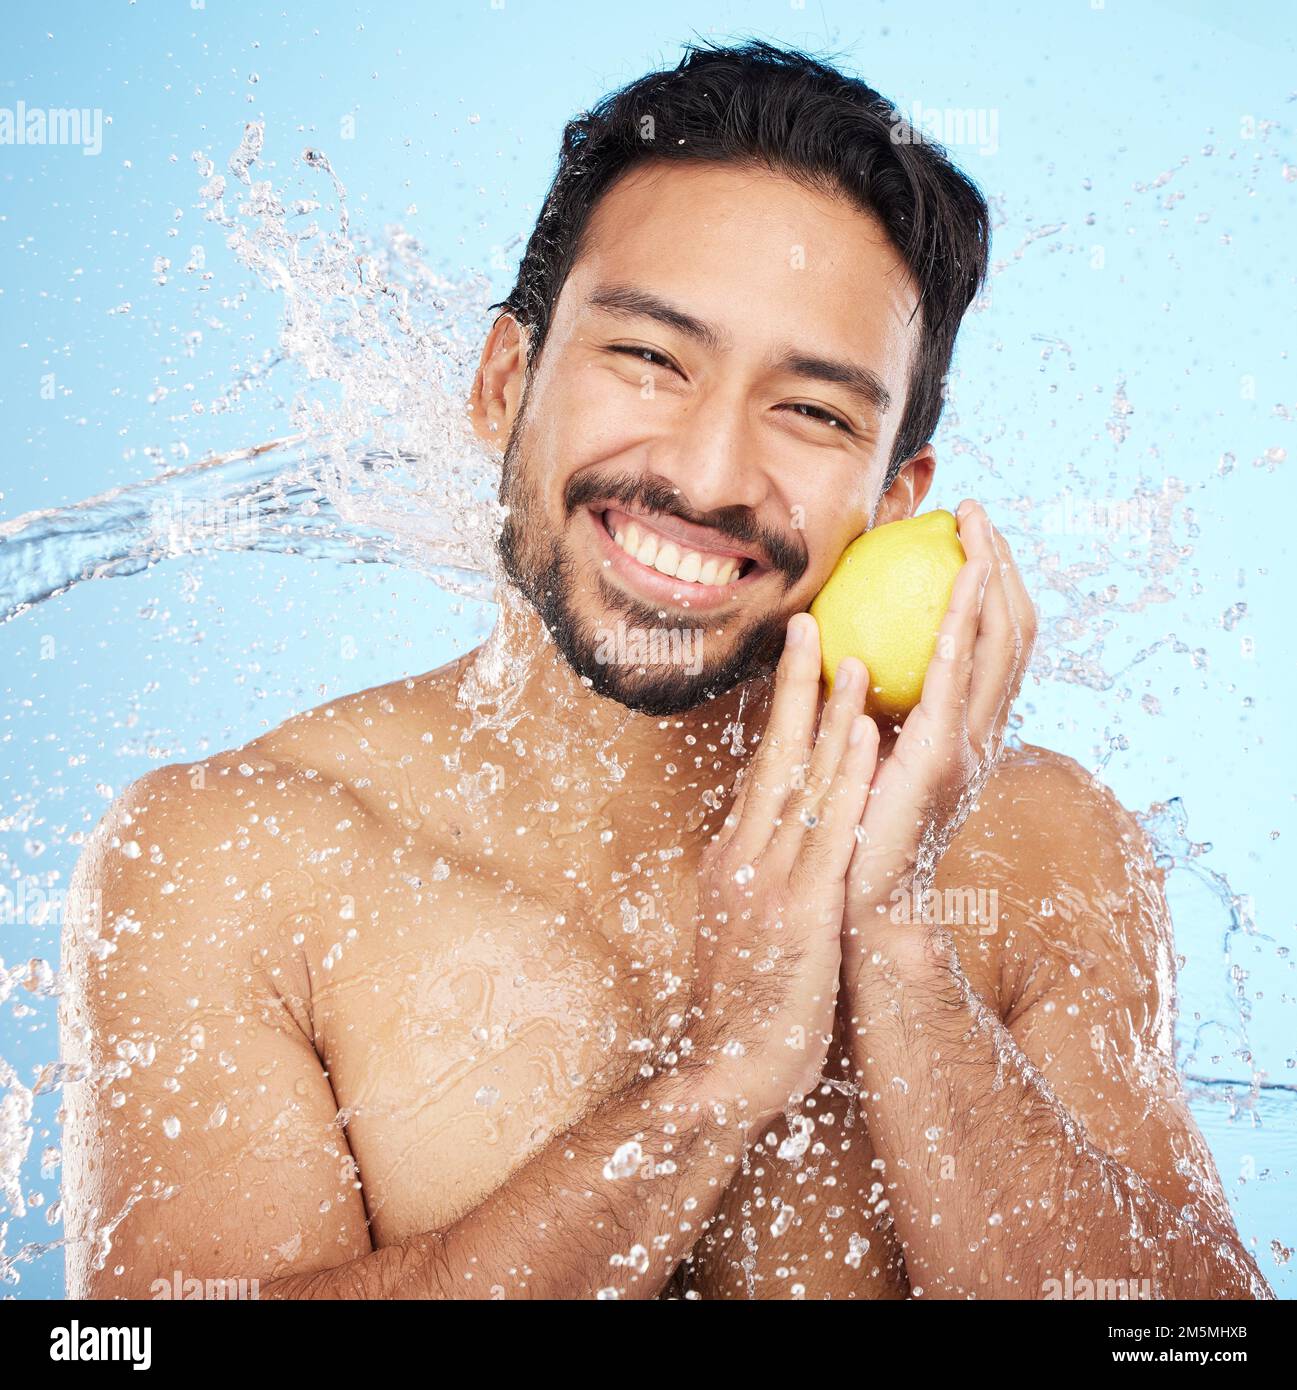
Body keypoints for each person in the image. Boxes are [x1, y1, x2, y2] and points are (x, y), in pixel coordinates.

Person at [59, 38, 1269, 1301]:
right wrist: (713, 1083)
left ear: (893, 498)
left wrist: (902, 947)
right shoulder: (233, 857)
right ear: (503, 381)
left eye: (812, 411)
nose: (703, 477)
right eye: (648, 357)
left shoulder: (1035, 853)